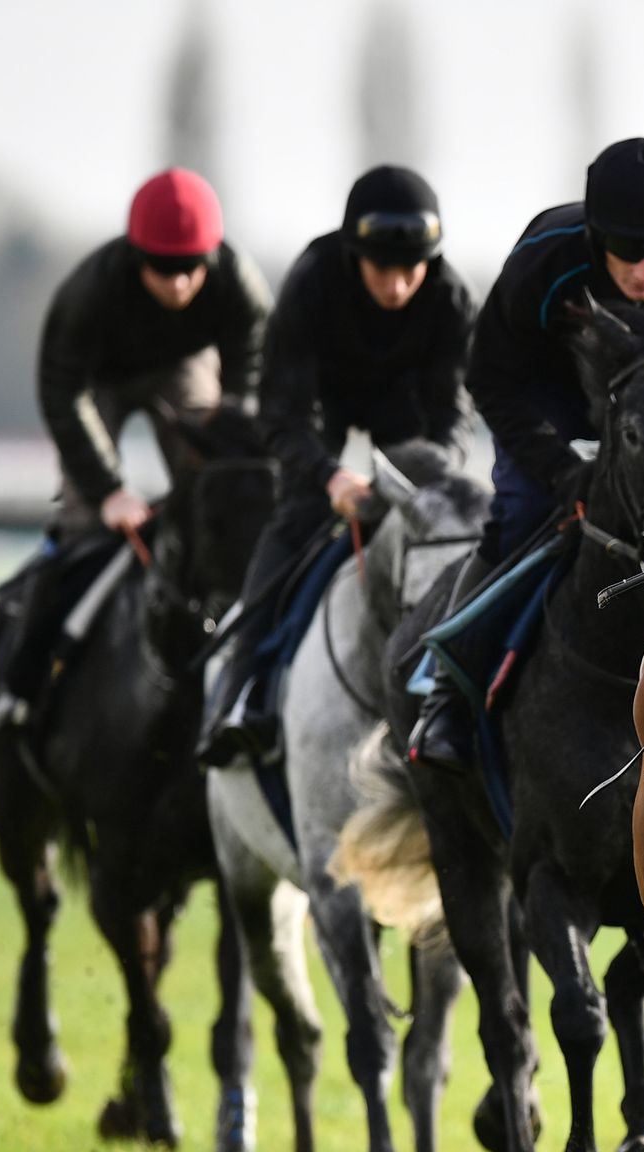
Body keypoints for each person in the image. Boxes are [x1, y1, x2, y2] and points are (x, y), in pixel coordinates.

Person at [406, 138, 644, 773]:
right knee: (521, 514)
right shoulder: (541, 263)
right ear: (594, 236)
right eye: (628, 254)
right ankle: (445, 694)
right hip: (555, 405)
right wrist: (559, 468)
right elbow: (490, 379)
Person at [198, 165, 479, 765]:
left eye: (413, 270)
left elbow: (452, 422)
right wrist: (329, 478)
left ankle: (462, 698)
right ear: (354, 257)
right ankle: (241, 691)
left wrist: (418, 481)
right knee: (294, 520)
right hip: (318, 404)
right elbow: (280, 414)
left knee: (445, 530)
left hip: (407, 418)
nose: (400, 286)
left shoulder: (452, 297)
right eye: (384, 270)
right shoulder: (311, 282)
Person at [0, 168, 271, 732]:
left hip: (185, 366)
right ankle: (25, 683)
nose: (180, 284)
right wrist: (109, 491)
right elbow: (62, 395)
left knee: (225, 503)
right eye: (164, 270)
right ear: (136, 256)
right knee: (82, 522)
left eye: (192, 268)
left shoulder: (239, 283)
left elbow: (251, 374)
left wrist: (229, 437)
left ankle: (247, 667)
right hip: (97, 385)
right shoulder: (88, 292)